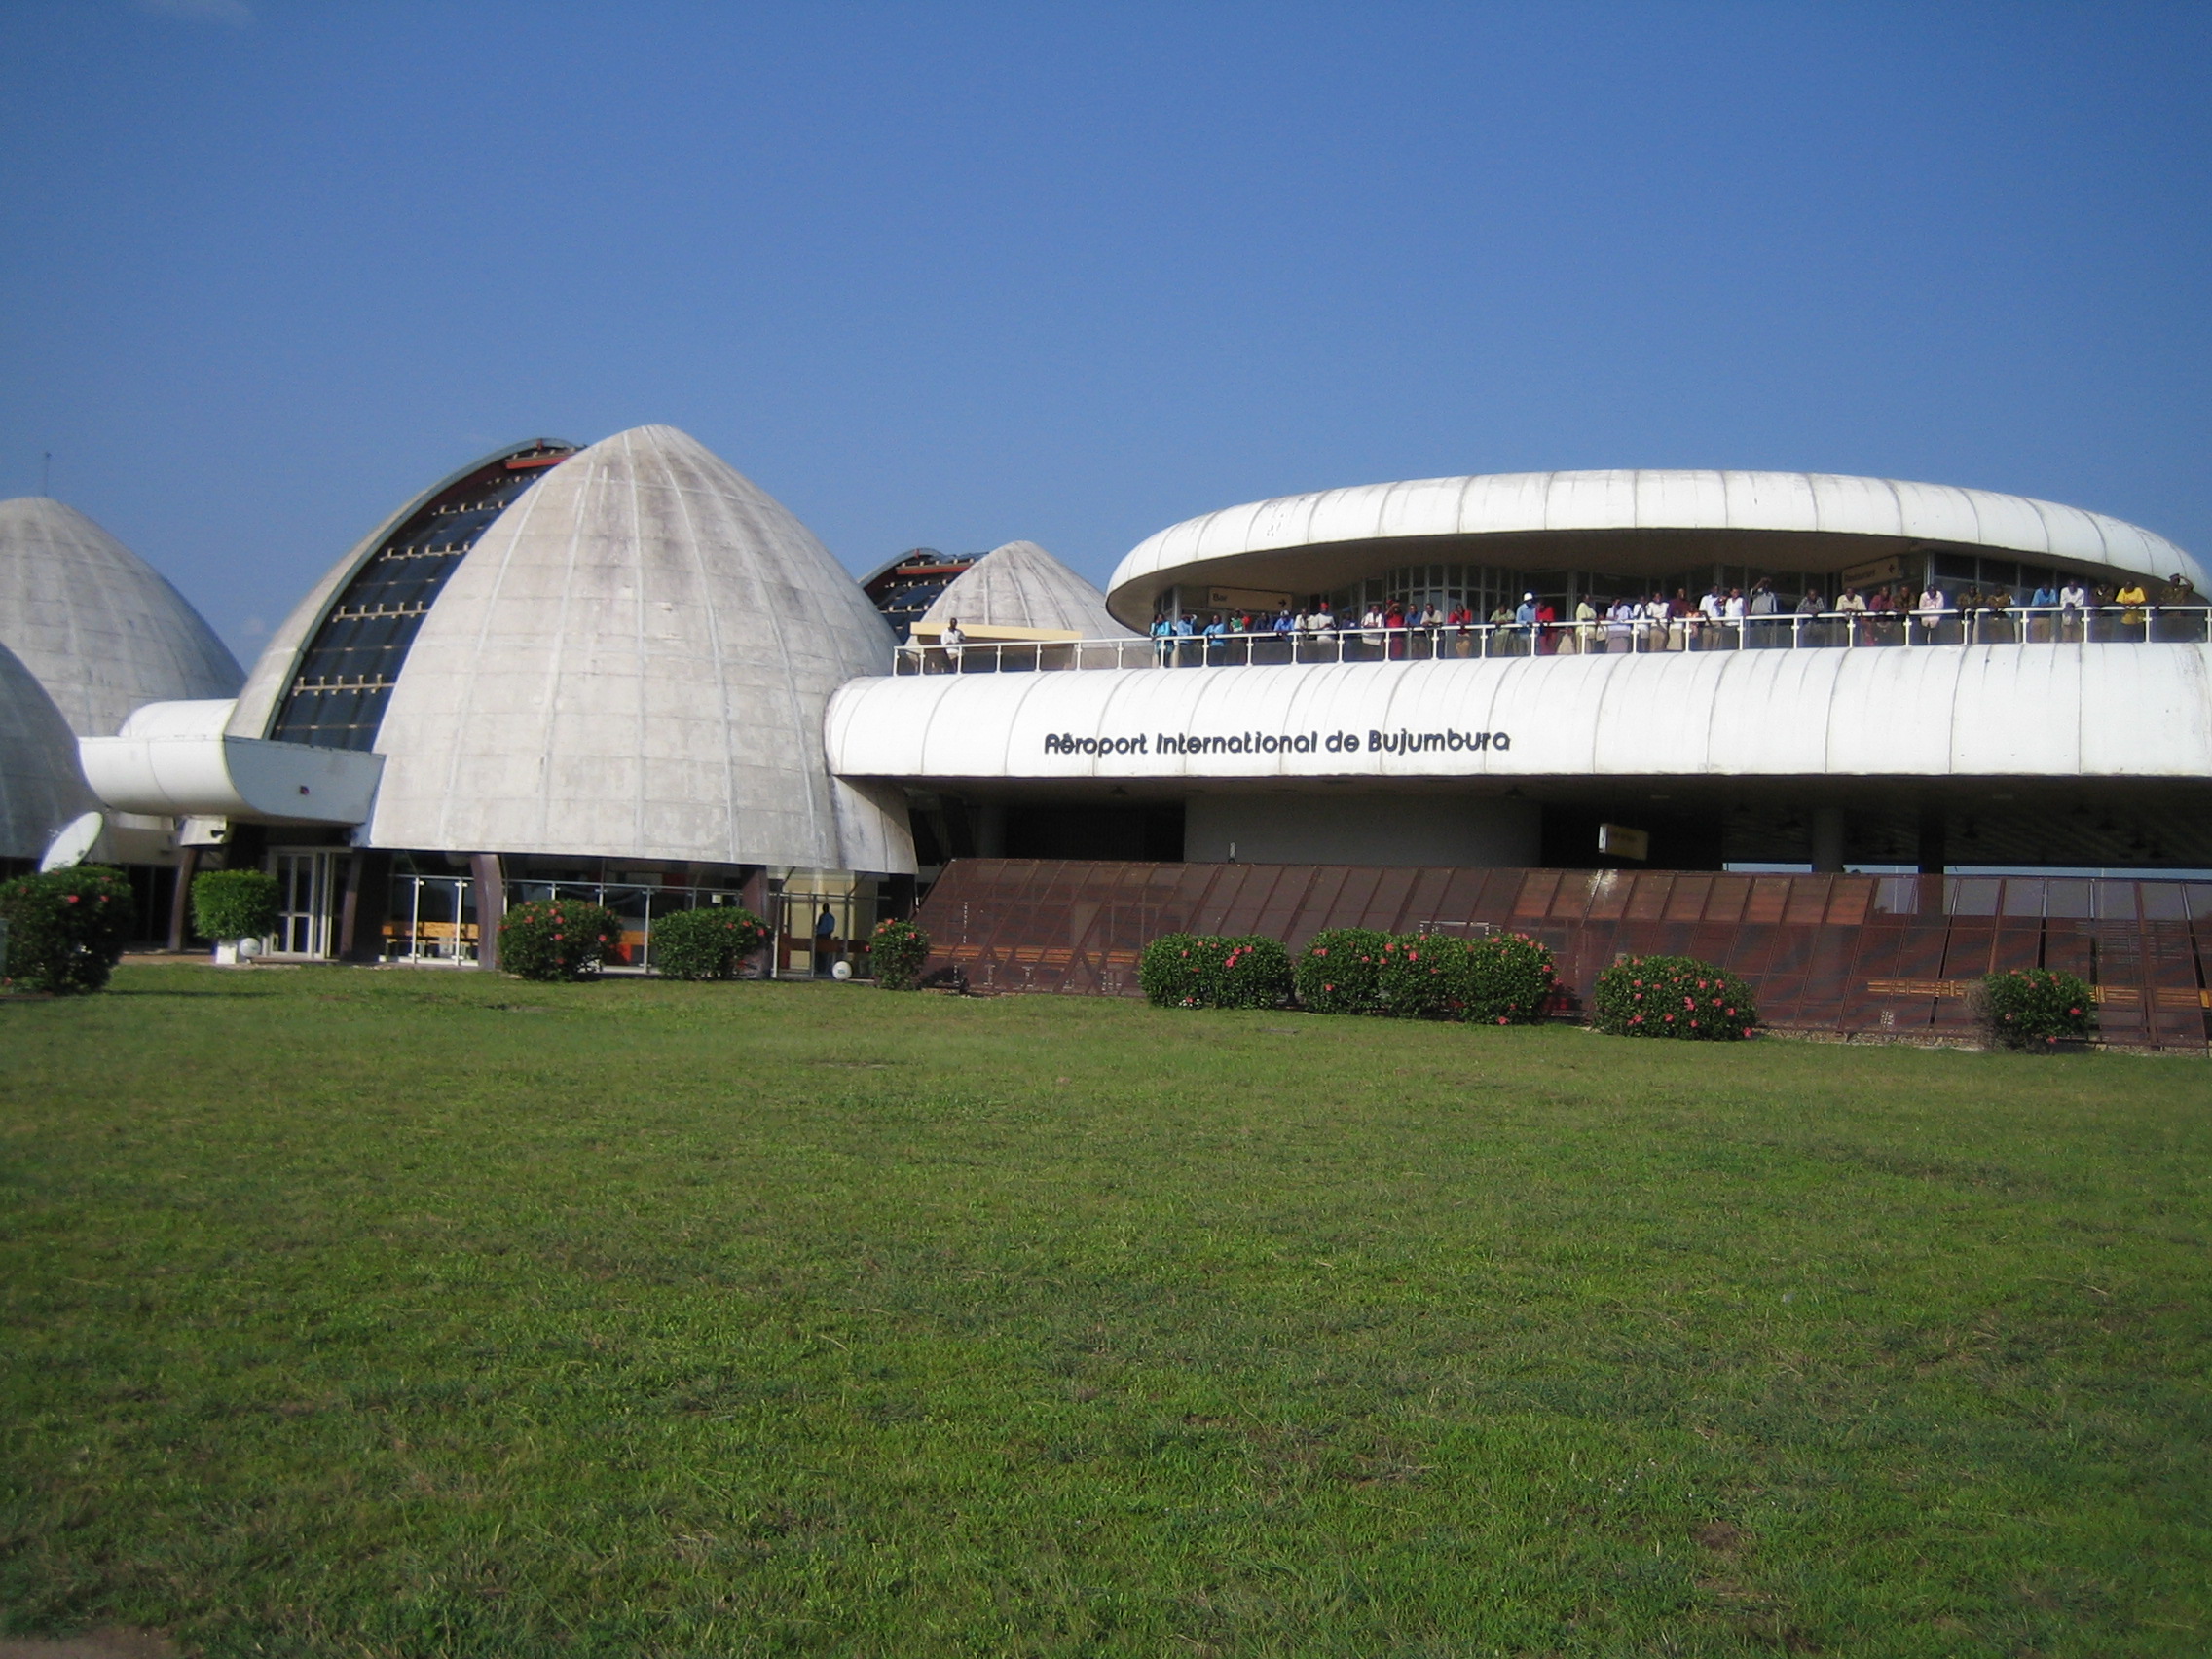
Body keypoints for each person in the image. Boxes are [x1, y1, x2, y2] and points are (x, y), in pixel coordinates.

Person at [814, 903, 838, 977]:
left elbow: (831, 928)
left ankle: (824, 969)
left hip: (825, 936)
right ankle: (818, 968)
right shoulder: (821, 916)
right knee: (818, 954)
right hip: (819, 936)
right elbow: (818, 925)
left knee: (824, 954)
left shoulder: (830, 917)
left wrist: (826, 934)